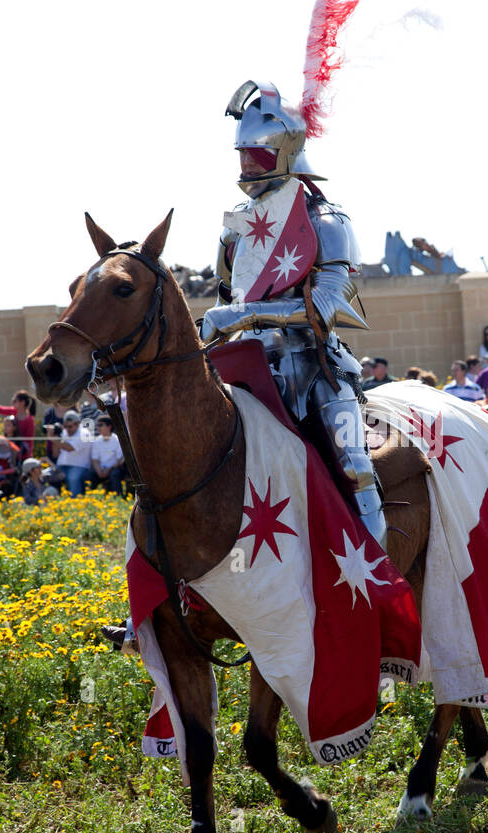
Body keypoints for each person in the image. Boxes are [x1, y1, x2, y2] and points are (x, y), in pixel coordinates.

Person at [197, 80, 386, 544]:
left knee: (353, 466)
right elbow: (227, 294)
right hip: (245, 368)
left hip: (312, 365)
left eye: (257, 155)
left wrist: (246, 317)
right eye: (241, 154)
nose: (246, 165)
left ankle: (380, 575)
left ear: (285, 151)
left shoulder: (327, 220)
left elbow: (329, 306)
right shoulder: (236, 223)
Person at [54, 411, 93, 495]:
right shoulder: (64, 432)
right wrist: (54, 436)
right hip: (62, 465)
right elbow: (55, 454)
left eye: (70, 426)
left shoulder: (84, 433)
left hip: (79, 466)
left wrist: (53, 439)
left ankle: (75, 502)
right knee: (49, 475)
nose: (67, 429)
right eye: (65, 426)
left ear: (78, 423)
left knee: (72, 478)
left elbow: (69, 448)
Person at [90, 415, 126, 493]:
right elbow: (95, 460)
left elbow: (120, 460)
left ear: (109, 426)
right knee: (88, 475)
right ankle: (90, 498)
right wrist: (99, 471)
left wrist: (108, 469)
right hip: (101, 470)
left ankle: (118, 497)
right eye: (97, 425)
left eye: (101, 425)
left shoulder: (116, 439)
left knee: (114, 474)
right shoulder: (96, 441)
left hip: (114, 468)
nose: (98, 427)